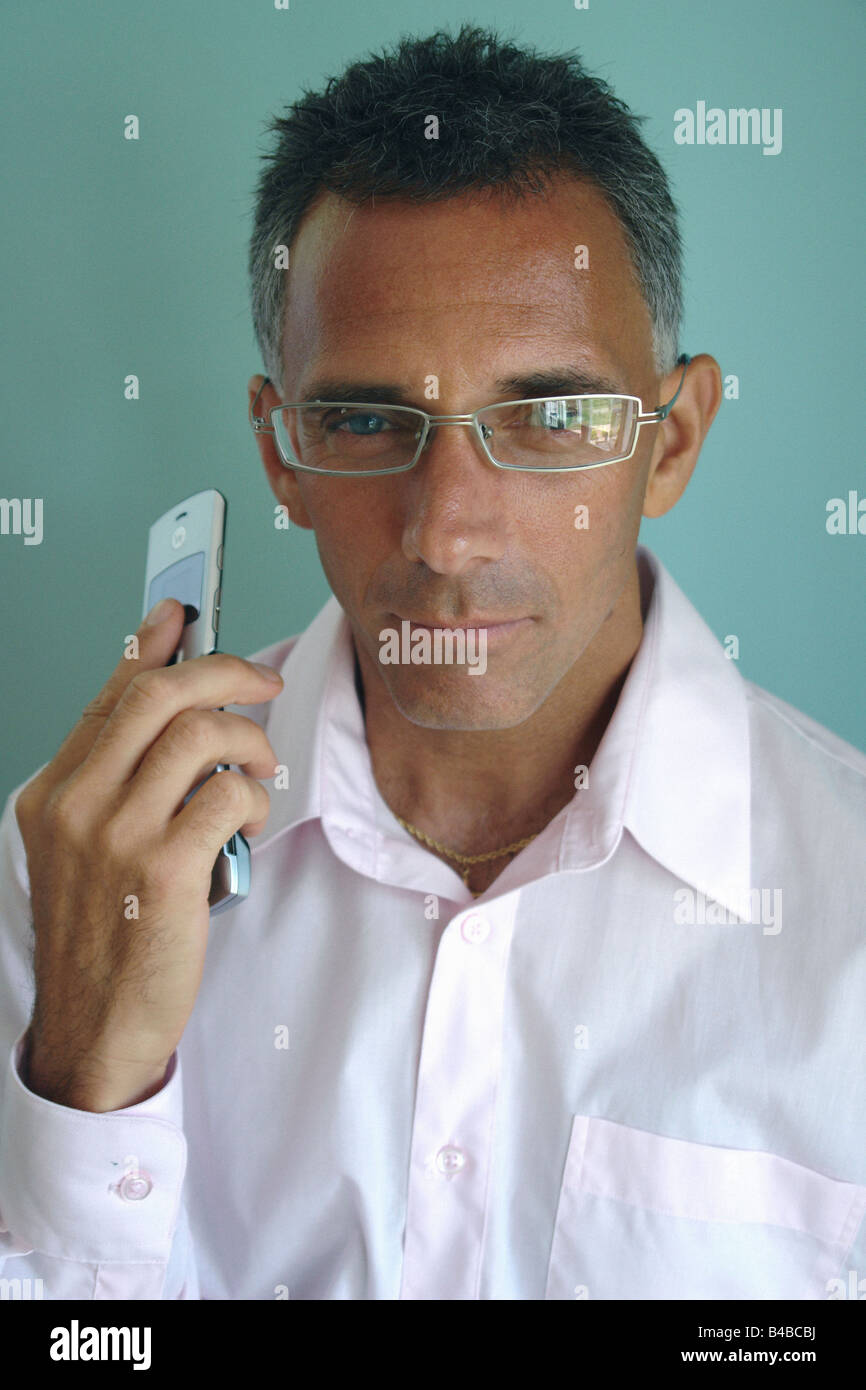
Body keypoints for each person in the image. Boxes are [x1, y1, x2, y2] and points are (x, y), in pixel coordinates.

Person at [1, 24, 864, 1301]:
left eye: (550, 414)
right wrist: (83, 1083)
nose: (447, 530)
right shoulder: (64, 880)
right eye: (363, 418)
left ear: (670, 441)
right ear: (280, 451)